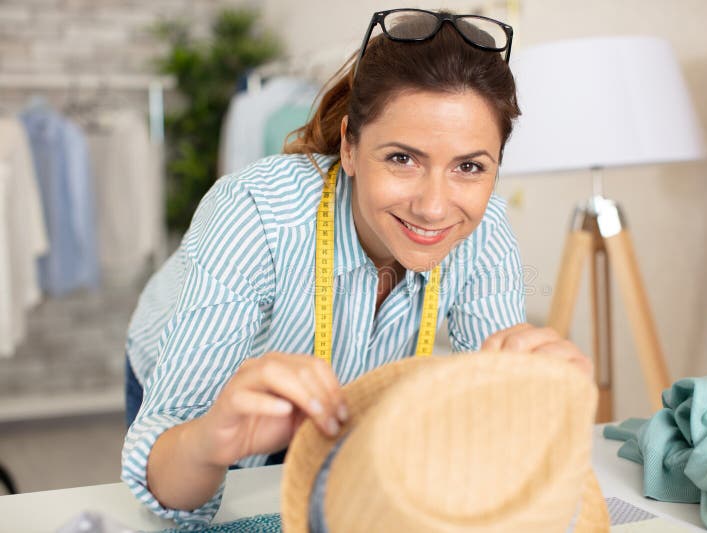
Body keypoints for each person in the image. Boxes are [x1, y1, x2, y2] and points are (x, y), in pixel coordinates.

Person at [121, 8, 593, 528]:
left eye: (469, 166)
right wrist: (210, 442)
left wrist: (537, 400)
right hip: (196, 400)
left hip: (329, 410)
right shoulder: (254, 210)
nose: (435, 207)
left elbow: (494, 417)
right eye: (402, 159)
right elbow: (170, 477)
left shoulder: (482, 230)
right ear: (349, 145)